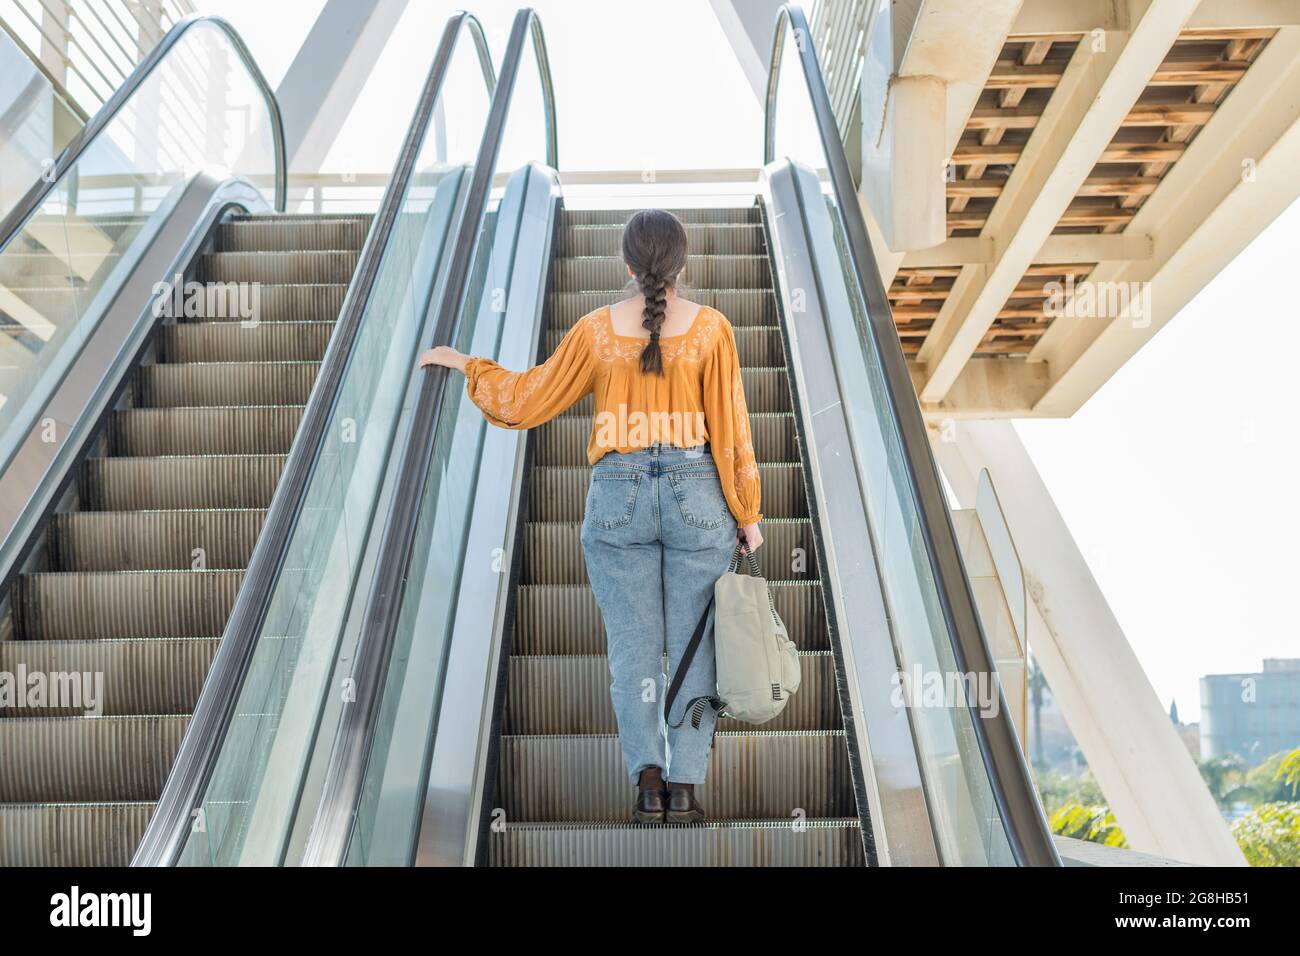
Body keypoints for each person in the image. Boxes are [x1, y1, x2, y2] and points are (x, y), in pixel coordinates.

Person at [419, 209, 762, 824]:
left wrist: (466, 364)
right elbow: (731, 429)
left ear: (628, 267)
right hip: (699, 498)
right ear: (681, 266)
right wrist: (747, 511)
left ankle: (647, 783)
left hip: (617, 499)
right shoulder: (712, 329)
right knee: (698, 649)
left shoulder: (596, 331)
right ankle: (684, 788)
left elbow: (527, 399)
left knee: (633, 652)